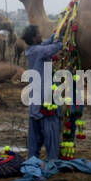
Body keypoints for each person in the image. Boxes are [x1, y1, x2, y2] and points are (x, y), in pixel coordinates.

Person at [22, 25, 62, 161]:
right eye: (39, 34)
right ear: (34, 38)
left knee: (34, 136)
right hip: (45, 100)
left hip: (35, 101)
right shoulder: (39, 51)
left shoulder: (32, 50)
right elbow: (55, 47)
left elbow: (46, 43)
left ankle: (32, 161)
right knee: (51, 132)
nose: (41, 35)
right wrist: (61, 38)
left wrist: (56, 33)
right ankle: (52, 160)